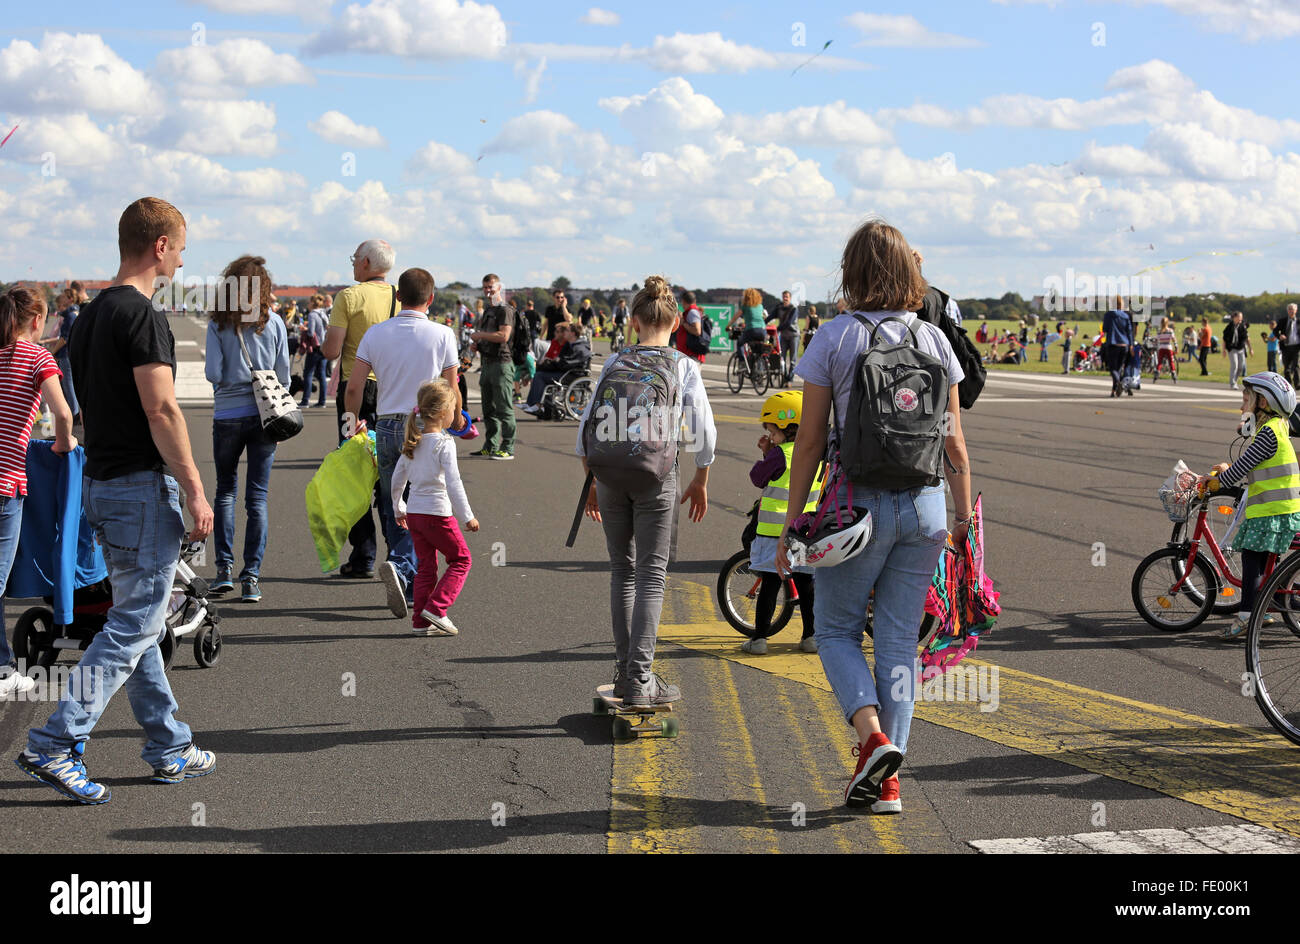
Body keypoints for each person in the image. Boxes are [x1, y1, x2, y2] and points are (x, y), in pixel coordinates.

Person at [19, 196, 216, 804]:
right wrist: (195, 490)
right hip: (136, 487)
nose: (183, 261)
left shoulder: (92, 314)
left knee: (141, 616)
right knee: (134, 622)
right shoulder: (142, 316)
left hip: (101, 484)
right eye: (180, 248)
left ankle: (169, 745)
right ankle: (56, 741)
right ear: (160, 246)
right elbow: (161, 409)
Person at [778, 219, 972, 814]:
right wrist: (963, 520)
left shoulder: (832, 338)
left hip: (854, 508)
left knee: (835, 631)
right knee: (896, 642)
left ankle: (873, 737)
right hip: (926, 504)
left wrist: (793, 524)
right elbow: (957, 442)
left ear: (851, 272)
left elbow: (808, 444)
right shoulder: (936, 341)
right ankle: (888, 780)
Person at [577, 275, 715, 707]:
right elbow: (703, 433)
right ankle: (641, 679)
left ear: (633, 321)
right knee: (652, 577)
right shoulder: (683, 365)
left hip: (610, 476)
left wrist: (594, 483)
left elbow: (584, 430)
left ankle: (623, 672)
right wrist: (701, 477)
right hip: (657, 476)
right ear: (675, 324)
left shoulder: (615, 362)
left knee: (622, 571)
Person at [348, 267, 462, 620]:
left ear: (398, 297)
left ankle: (407, 573)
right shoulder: (443, 334)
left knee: (392, 499)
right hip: (427, 423)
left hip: (387, 423)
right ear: (431, 298)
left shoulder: (376, 333)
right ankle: (402, 568)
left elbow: (354, 386)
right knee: (425, 501)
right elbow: (451, 386)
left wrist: (352, 422)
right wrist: (456, 417)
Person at [0, 286, 77, 700]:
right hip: (5, 481)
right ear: (35, 321)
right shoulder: (37, 357)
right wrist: (64, 443)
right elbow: (62, 412)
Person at [203, 255, 289, 603]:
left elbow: (213, 372)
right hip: (265, 415)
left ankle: (223, 569)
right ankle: (251, 577)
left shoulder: (218, 325)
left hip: (227, 413)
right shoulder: (276, 323)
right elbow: (282, 374)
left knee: (225, 491)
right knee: (258, 498)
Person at [321, 238, 398, 579]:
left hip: (357, 391)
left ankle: (364, 554)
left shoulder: (348, 297)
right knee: (393, 474)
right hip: (394, 391)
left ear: (366, 263)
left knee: (355, 474)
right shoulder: (400, 295)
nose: (353, 264)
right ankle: (399, 554)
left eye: (355, 259)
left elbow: (330, 350)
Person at [1204, 372, 1300, 640]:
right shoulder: (1279, 425)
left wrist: (1212, 482)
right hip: (1282, 509)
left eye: (1249, 397)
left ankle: (1247, 616)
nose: (1243, 402)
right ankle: (1264, 606)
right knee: (1262, 561)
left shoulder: (1268, 434)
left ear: (1264, 403)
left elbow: (1242, 468)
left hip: (1271, 511)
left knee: (1250, 558)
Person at [393, 379, 479, 637]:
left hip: (416, 514)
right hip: (437, 513)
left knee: (426, 569)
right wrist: (468, 516)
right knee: (461, 559)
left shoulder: (414, 442)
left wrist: (399, 508)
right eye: (453, 409)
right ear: (443, 413)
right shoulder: (444, 444)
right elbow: (454, 483)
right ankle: (437, 608)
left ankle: (420, 622)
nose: (455, 414)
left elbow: (398, 478)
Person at [742, 390, 819, 655]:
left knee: (771, 585)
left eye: (773, 431)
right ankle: (810, 637)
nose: (770, 436)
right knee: (807, 586)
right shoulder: (818, 452)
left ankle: (760, 639)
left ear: (789, 428)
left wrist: (768, 453)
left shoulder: (780, 454)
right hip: (806, 532)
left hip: (774, 532)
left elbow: (758, 478)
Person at [468, 273, 516, 460]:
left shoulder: (505, 309)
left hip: (501, 364)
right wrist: (477, 345)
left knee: (504, 409)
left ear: (499, 288)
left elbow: (503, 336)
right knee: (488, 409)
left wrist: (479, 335)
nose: (488, 291)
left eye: (491, 287)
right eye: (485, 287)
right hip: (487, 363)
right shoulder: (489, 310)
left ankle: (508, 447)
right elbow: (489, 336)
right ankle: (491, 444)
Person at [521, 322, 591, 412]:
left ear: (573, 333)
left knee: (540, 376)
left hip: (572, 375)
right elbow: (561, 360)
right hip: (565, 371)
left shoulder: (580, 347)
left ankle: (537, 405)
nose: (565, 332)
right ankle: (533, 404)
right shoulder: (570, 344)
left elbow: (568, 362)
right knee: (539, 373)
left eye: (567, 331)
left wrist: (557, 361)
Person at [39, 289, 80, 422]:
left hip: (65, 354)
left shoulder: (70, 316)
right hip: (69, 353)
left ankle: (74, 414)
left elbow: (64, 338)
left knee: (68, 385)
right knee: (68, 384)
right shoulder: (74, 313)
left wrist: (52, 352)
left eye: (60, 306)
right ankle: (74, 413)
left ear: (65, 304)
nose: (58, 309)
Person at [298, 294, 329, 407]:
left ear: (312, 303)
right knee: (322, 375)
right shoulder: (323, 313)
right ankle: (322, 401)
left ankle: (305, 400)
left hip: (315, 348)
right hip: (324, 346)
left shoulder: (312, 315)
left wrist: (304, 329)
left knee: (308, 373)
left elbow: (311, 333)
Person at [1103, 302, 1136, 397]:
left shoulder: (1108, 315)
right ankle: (1115, 391)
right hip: (1124, 344)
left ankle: (1119, 383)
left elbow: (1105, 329)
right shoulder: (1125, 316)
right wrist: (1131, 345)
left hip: (1113, 343)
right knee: (1119, 369)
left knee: (1113, 368)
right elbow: (1129, 331)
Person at [727, 288, 767, 357]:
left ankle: (742, 361)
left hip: (751, 330)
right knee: (757, 348)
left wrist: (728, 326)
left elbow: (735, 318)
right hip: (762, 331)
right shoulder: (760, 306)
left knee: (740, 342)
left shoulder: (745, 307)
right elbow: (763, 317)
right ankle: (757, 362)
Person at [771, 290, 799, 382]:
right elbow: (771, 316)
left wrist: (777, 328)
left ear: (790, 298)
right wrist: (763, 323)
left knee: (792, 359)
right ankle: (784, 376)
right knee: (782, 357)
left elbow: (789, 323)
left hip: (793, 335)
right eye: (784, 297)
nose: (785, 298)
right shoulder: (779, 308)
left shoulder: (794, 309)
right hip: (783, 336)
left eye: (787, 297)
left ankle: (790, 379)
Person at [675, 290, 706, 365]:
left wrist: (683, 323)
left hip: (692, 356)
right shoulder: (691, 312)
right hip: (688, 355)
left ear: (683, 301)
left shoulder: (692, 312)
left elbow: (697, 331)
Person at [1223, 311, 1251, 390]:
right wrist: (1223, 350)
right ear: (1234, 318)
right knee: (1234, 365)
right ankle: (1232, 383)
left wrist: (1250, 349)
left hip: (1241, 349)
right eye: (1239, 317)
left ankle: (1235, 380)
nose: (1240, 319)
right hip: (1232, 349)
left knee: (1241, 367)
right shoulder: (1229, 327)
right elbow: (1224, 339)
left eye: (1241, 317)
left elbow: (1246, 338)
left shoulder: (1242, 327)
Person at [1276, 304, 1300, 388]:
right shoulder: (1283, 321)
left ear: (1296, 310)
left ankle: (1297, 384)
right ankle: (1288, 384)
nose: (1291, 311)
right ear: (1287, 311)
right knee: (1287, 367)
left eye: (1293, 309)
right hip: (1286, 347)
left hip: (1296, 347)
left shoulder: (1298, 321)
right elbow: (1275, 331)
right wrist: (1280, 336)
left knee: (1296, 366)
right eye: (1289, 309)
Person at [1153, 317, 1177, 382]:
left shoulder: (1159, 331)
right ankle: (1173, 374)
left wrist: (1154, 346)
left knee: (1160, 362)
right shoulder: (1170, 331)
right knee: (1171, 362)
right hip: (1168, 347)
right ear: (1167, 323)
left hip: (1161, 348)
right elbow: (1174, 339)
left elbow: (1156, 340)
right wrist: (1176, 347)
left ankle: (1157, 373)